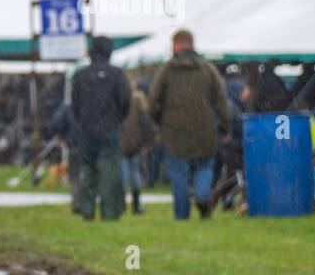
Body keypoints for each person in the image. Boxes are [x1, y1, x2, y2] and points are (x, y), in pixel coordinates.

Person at [148, 28, 233, 220]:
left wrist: (155, 121)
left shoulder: (167, 70)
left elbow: (154, 100)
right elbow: (221, 101)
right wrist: (225, 126)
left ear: (177, 45)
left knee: (179, 174)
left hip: (174, 132)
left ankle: (181, 215)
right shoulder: (207, 69)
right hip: (204, 129)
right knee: (205, 166)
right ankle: (203, 196)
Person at [70, 35, 131, 220]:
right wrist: (118, 118)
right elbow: (125, 100)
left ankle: (87, 209)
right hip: (110, 128)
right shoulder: (117, 74)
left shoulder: (80, 75)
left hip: (87, 129)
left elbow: (74, 104)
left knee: (87, 170)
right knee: (109, 172)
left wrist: (83, 120)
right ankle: (109, 211)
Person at [119, 73, 156, 214]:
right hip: (135, 142)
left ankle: (121, 205)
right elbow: (146, 122)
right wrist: (147, 141)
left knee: (122, 175)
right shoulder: (139, 99)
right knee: (135, 174)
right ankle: (136, 205)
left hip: (120, 141)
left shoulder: (116, 99)